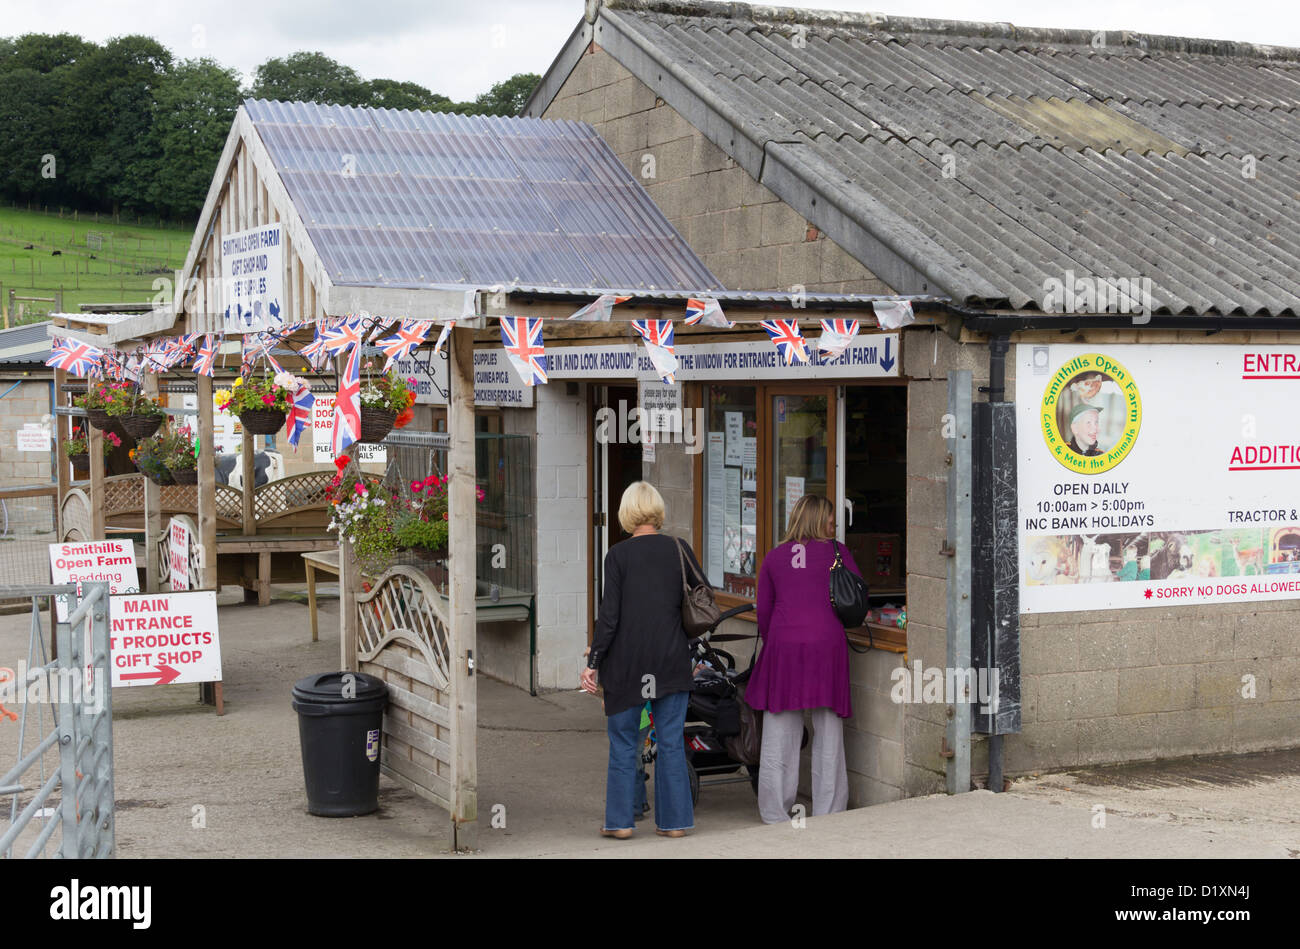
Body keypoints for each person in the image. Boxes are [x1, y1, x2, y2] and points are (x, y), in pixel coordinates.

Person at [581, 481, 700, 839]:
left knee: (623, 743)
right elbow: (700, 600)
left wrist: (594, 661)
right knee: (669, 742)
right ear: (657, 510)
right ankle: (676, 823)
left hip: (627, 665)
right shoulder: (680, 549)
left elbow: (610, 618)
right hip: (671, 659)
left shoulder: (618, 556)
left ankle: (619, 824)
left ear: (626, 513)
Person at [748, 494, 862, 823]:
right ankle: (829, 812)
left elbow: (765, 614)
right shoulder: (838, 553)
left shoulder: (774, 557)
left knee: (779, 734)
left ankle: (775, 813)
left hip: (784, 647)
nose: (834, 524)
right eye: (830, 519)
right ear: (816, 520)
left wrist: (780, 642)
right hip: (827, 647)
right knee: (829, 732)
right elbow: (856, 599)